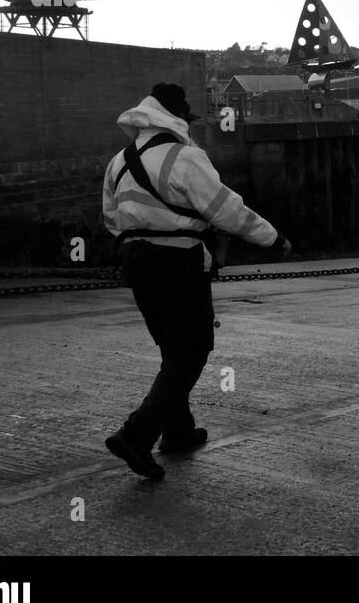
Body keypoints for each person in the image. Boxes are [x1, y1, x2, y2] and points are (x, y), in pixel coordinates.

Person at [102, 83, 293, 480]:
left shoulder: (118, 162)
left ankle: (178, 432)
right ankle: (136, 435)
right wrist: (272, 238)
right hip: (177, 263)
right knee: (190, 351)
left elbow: (110, 218)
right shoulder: (185, 157)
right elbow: (226, 209)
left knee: (173, 349)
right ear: (176, 120)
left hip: (134, 261)